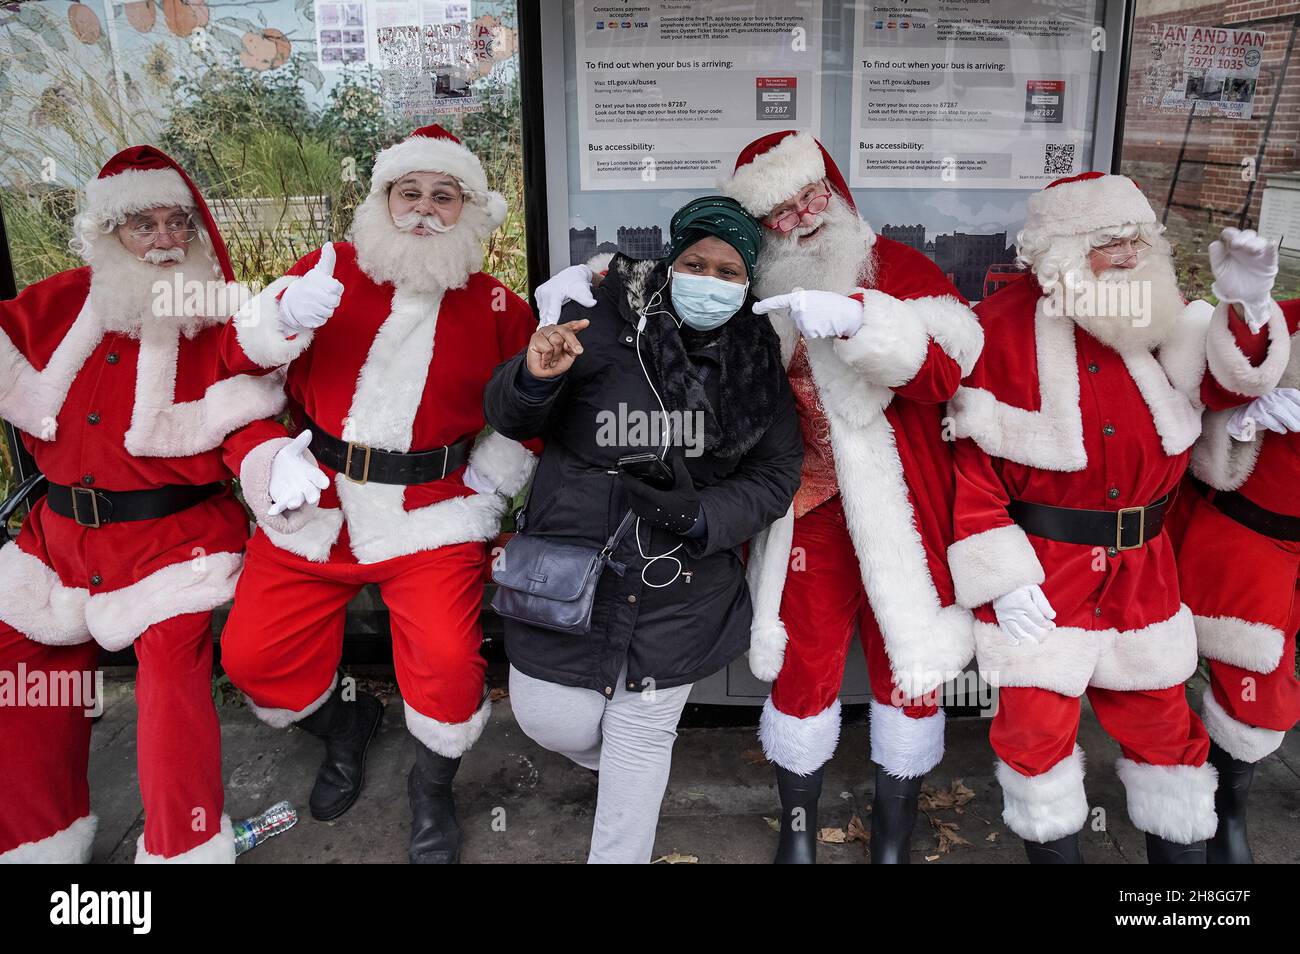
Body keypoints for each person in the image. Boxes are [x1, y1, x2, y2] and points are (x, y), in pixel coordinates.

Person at [537, 131, 983, 864]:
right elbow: (670, 282)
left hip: (901, 509)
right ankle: (800, 834)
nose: (800, 217)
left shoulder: (900, 268)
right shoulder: (748, 285)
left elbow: (949, 372)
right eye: (777, 211)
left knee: (915, 664)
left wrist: (870, 324)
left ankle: (895, 835)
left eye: (809, 197)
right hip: (801, 512)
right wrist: (585, 277)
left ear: (834, 191)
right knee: (804, 669)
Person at [215, 124, 539, 864]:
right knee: (254, 659)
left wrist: (496, 474)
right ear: (382, 198)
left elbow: (534, 409)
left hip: (433, 515)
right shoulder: (325, 270)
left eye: (444, 196)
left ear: (470, 209)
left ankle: (432, 785)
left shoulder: (497, 304)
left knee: (453, 668)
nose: (424, 209)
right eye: (408, 192)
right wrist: (279, 325)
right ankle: (345, 725)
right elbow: (239, 366)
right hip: (316, 503)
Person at [946, 172, 1291, 863]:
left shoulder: (1166, 314)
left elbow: (1229, 381)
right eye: (1110, 241)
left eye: (1140, 237)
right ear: (1061, 251)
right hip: (1044, 573)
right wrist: (1003, 578)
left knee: (1167, 731)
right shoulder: (993, 331)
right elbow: (970, 469)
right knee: (1036, 738)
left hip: (1145, 573)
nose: (1132, 252)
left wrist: (1249, 308)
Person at [485, 195, 803, 864]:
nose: (709, 281)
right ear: (670, 260)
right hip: (574, 569)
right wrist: (533, 377)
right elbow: (513, 418)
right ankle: (620, 771)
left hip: (679, 585)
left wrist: (701, 516)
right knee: (550, 718)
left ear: (747, 285)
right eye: (695, 263)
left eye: (727, 272)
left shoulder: (758, 362)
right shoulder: (600, 319)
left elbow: (776, 476)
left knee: (642, 739)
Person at [0, 146, 286, 863]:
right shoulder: (62, 300)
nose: (164, 242)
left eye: (176, 224)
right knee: (19, 666)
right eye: (142, 225)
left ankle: (182, 846)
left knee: (168, 682)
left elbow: (250, 416)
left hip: (173, 546)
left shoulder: (215, 316)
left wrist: (272, 467)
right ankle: (39, 838)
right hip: (57, 542)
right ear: (108, 233)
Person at [1171, 280, 1299, 863]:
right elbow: (1223, 371)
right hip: (1251, 536)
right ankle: (1227, 814)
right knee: (1247, 679)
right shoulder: (1282, 323)